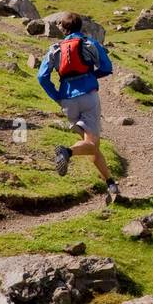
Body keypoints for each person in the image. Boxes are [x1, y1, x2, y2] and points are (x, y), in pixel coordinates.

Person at [36, 13, 120, 200]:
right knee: (90, 144)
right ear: (81, 27)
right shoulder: (88, 43)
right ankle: (66, 152)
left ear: (63, 29)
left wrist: (56, 95)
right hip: (88, 97)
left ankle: (111, 184)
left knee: (92, 146)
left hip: (67, 101)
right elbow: (107, 67)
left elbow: (42, 77)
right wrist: (90, 77)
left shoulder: (55, 49)